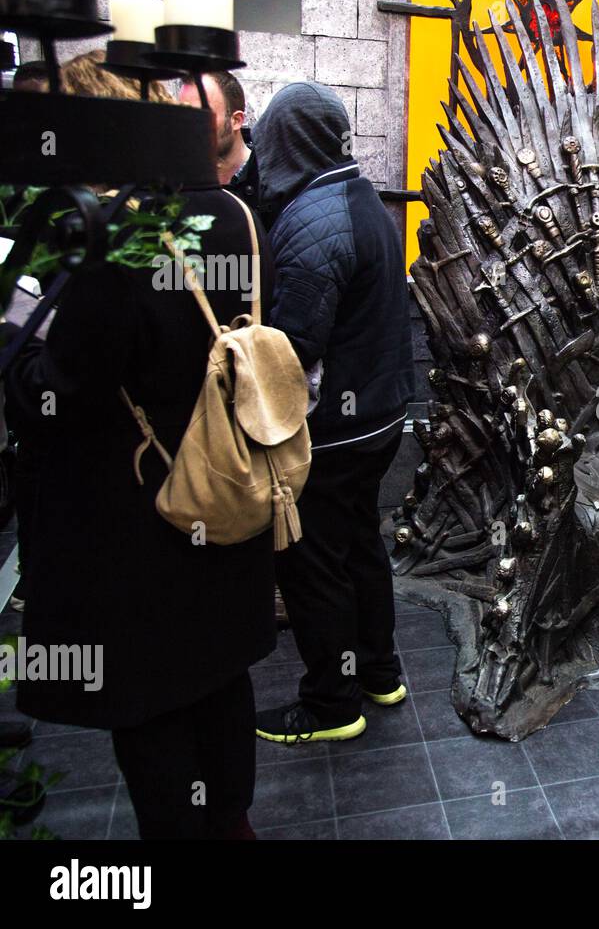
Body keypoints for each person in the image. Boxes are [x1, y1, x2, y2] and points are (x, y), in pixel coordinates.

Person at [4, 63, 276, 838]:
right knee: (219, 688)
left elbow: (59, 391)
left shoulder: (112, 241)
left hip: (139, 525)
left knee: (156, 724)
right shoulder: (228, 213)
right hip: (223, 497)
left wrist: (17, 326)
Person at [253, 82, 415, 745]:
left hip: (334, 433)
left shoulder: (312, 217)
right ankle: (380, 672)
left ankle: (330, 703)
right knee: (359, 545)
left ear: (287, 140)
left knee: (311, 559)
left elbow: (293, 350)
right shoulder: (363, 199)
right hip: (380, 419)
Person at [178, 71, 257, 205]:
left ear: (236, 120)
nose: (187, 125)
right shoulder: (177, 184)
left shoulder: (269, 180)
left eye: (201, 114)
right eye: (182, 114)